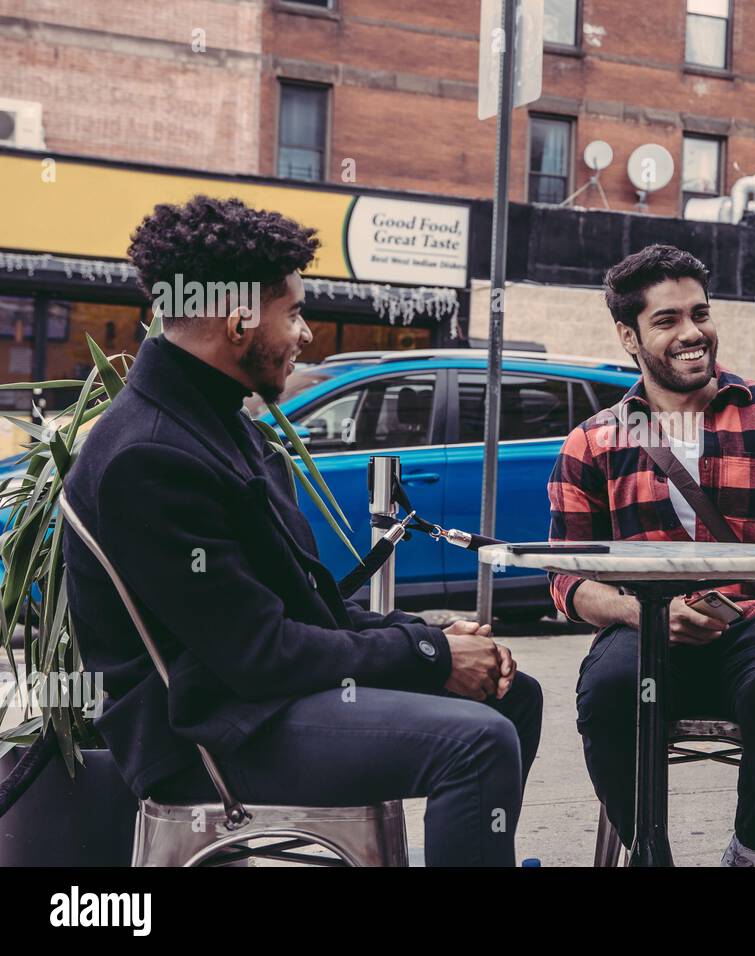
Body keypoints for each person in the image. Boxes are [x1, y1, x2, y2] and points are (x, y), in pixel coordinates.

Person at [62, 195, 542, 866]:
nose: (306, 334)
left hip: (259, 703)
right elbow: (259, 652)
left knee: (510, 691)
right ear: (238, 321)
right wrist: (428, 655)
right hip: (210, 737)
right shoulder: (149, 455)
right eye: (294, 313)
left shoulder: (220, 423)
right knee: (476, 741)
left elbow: (308, 613)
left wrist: (429, 637)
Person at [548, 244, 755, 866]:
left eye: (700, 313)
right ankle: (649, 852)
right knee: (608, 695)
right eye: (667, 321)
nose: (692, 333)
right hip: (643, 627)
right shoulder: (593, 440)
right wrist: (640, 613)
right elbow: (566, 579)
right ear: (630, 337)